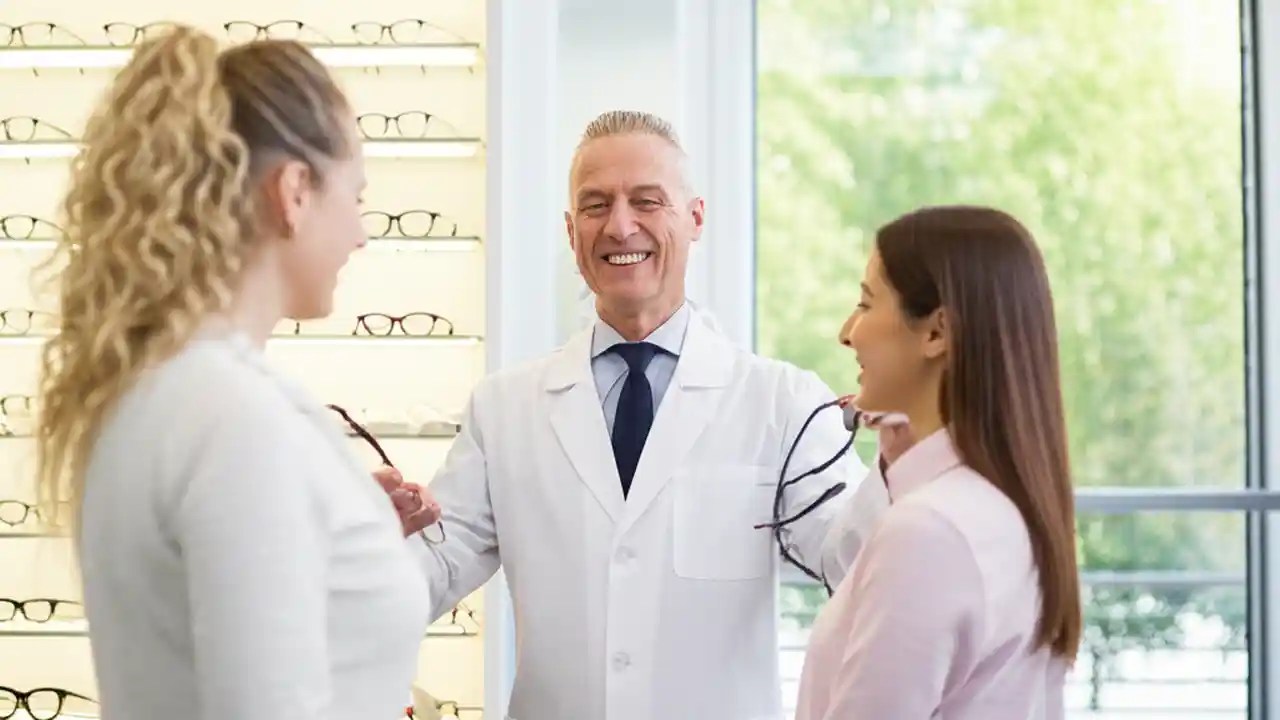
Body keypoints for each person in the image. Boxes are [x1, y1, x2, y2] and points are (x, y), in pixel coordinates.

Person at [377, 110, 890, 720]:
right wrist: (369, 538)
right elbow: (428, 576)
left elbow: (852, 562)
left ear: (695, 218)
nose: (620, 226)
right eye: (595, 206)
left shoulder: (782, 402)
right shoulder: (505, 408)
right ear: (571, 232)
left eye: (647, 201)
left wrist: (903, 456)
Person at [32, 26, 433, 719]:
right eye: (357, 195)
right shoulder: (237, 421)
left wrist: (335, 526)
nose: (362, 233)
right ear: (295, 190)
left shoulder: (158, 392)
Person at [794, 206, 1082, 719]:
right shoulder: (1001, 505)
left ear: (936, 333)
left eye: (865, 303)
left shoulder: (928, 530)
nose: (847, 332)